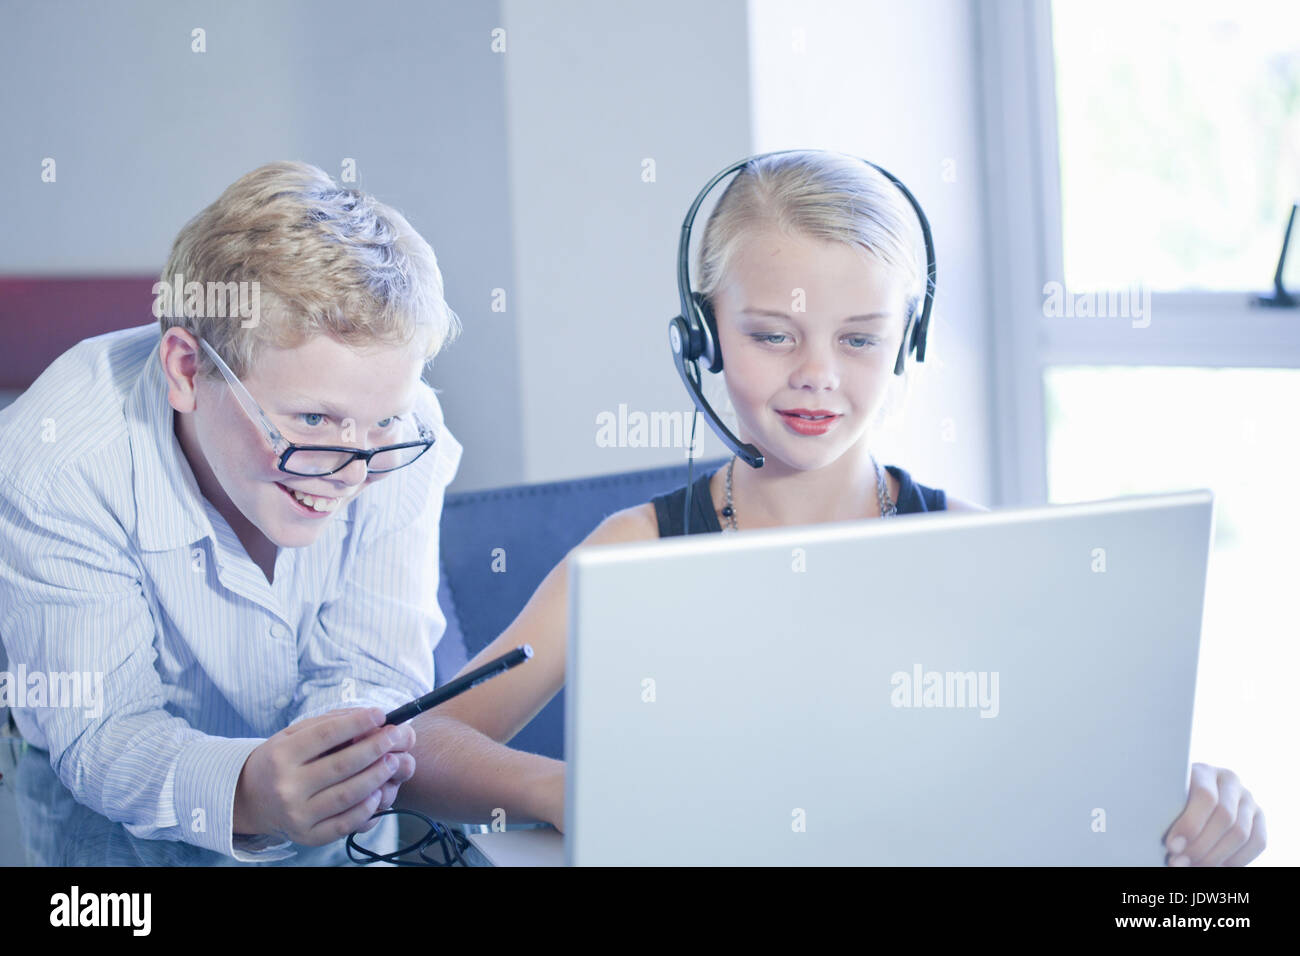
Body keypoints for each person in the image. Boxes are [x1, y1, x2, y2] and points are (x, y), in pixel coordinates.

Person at [400, 150, 1265, 866]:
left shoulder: (974, 549)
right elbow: (422, 750)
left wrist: (1198, 795)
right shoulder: (633, 549)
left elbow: (1103, 768)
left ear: (909, 341)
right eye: (772, 334)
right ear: (700, 335)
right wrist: (559, 791)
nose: (816, 373)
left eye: (860, 340)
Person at [0, 161, 462, 861]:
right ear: (187, 370)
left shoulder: (391, 430)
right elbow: (103, 735)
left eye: (383, 425)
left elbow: (373, 656)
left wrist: (333, 757)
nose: (351, 471)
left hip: (326, 827)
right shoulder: (57, 459)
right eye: (311, 418)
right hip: (104, 829)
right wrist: (251, 792)